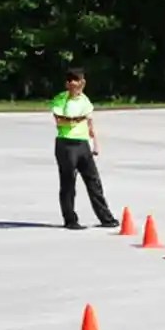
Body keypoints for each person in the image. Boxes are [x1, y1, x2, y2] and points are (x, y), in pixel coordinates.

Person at [50, 68, 119, 230]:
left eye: (81, 81)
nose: (79, 84)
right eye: (75, 81)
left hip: (83, 144)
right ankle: (70, 219)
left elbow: (89, 123)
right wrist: (77, 119)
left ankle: (105, 217)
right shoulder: (61, 99)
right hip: (66, 144)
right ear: (68, 84)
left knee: (94, 181)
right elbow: (60, 121)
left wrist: (95, 143)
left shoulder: (85, 100)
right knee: (68, 183)